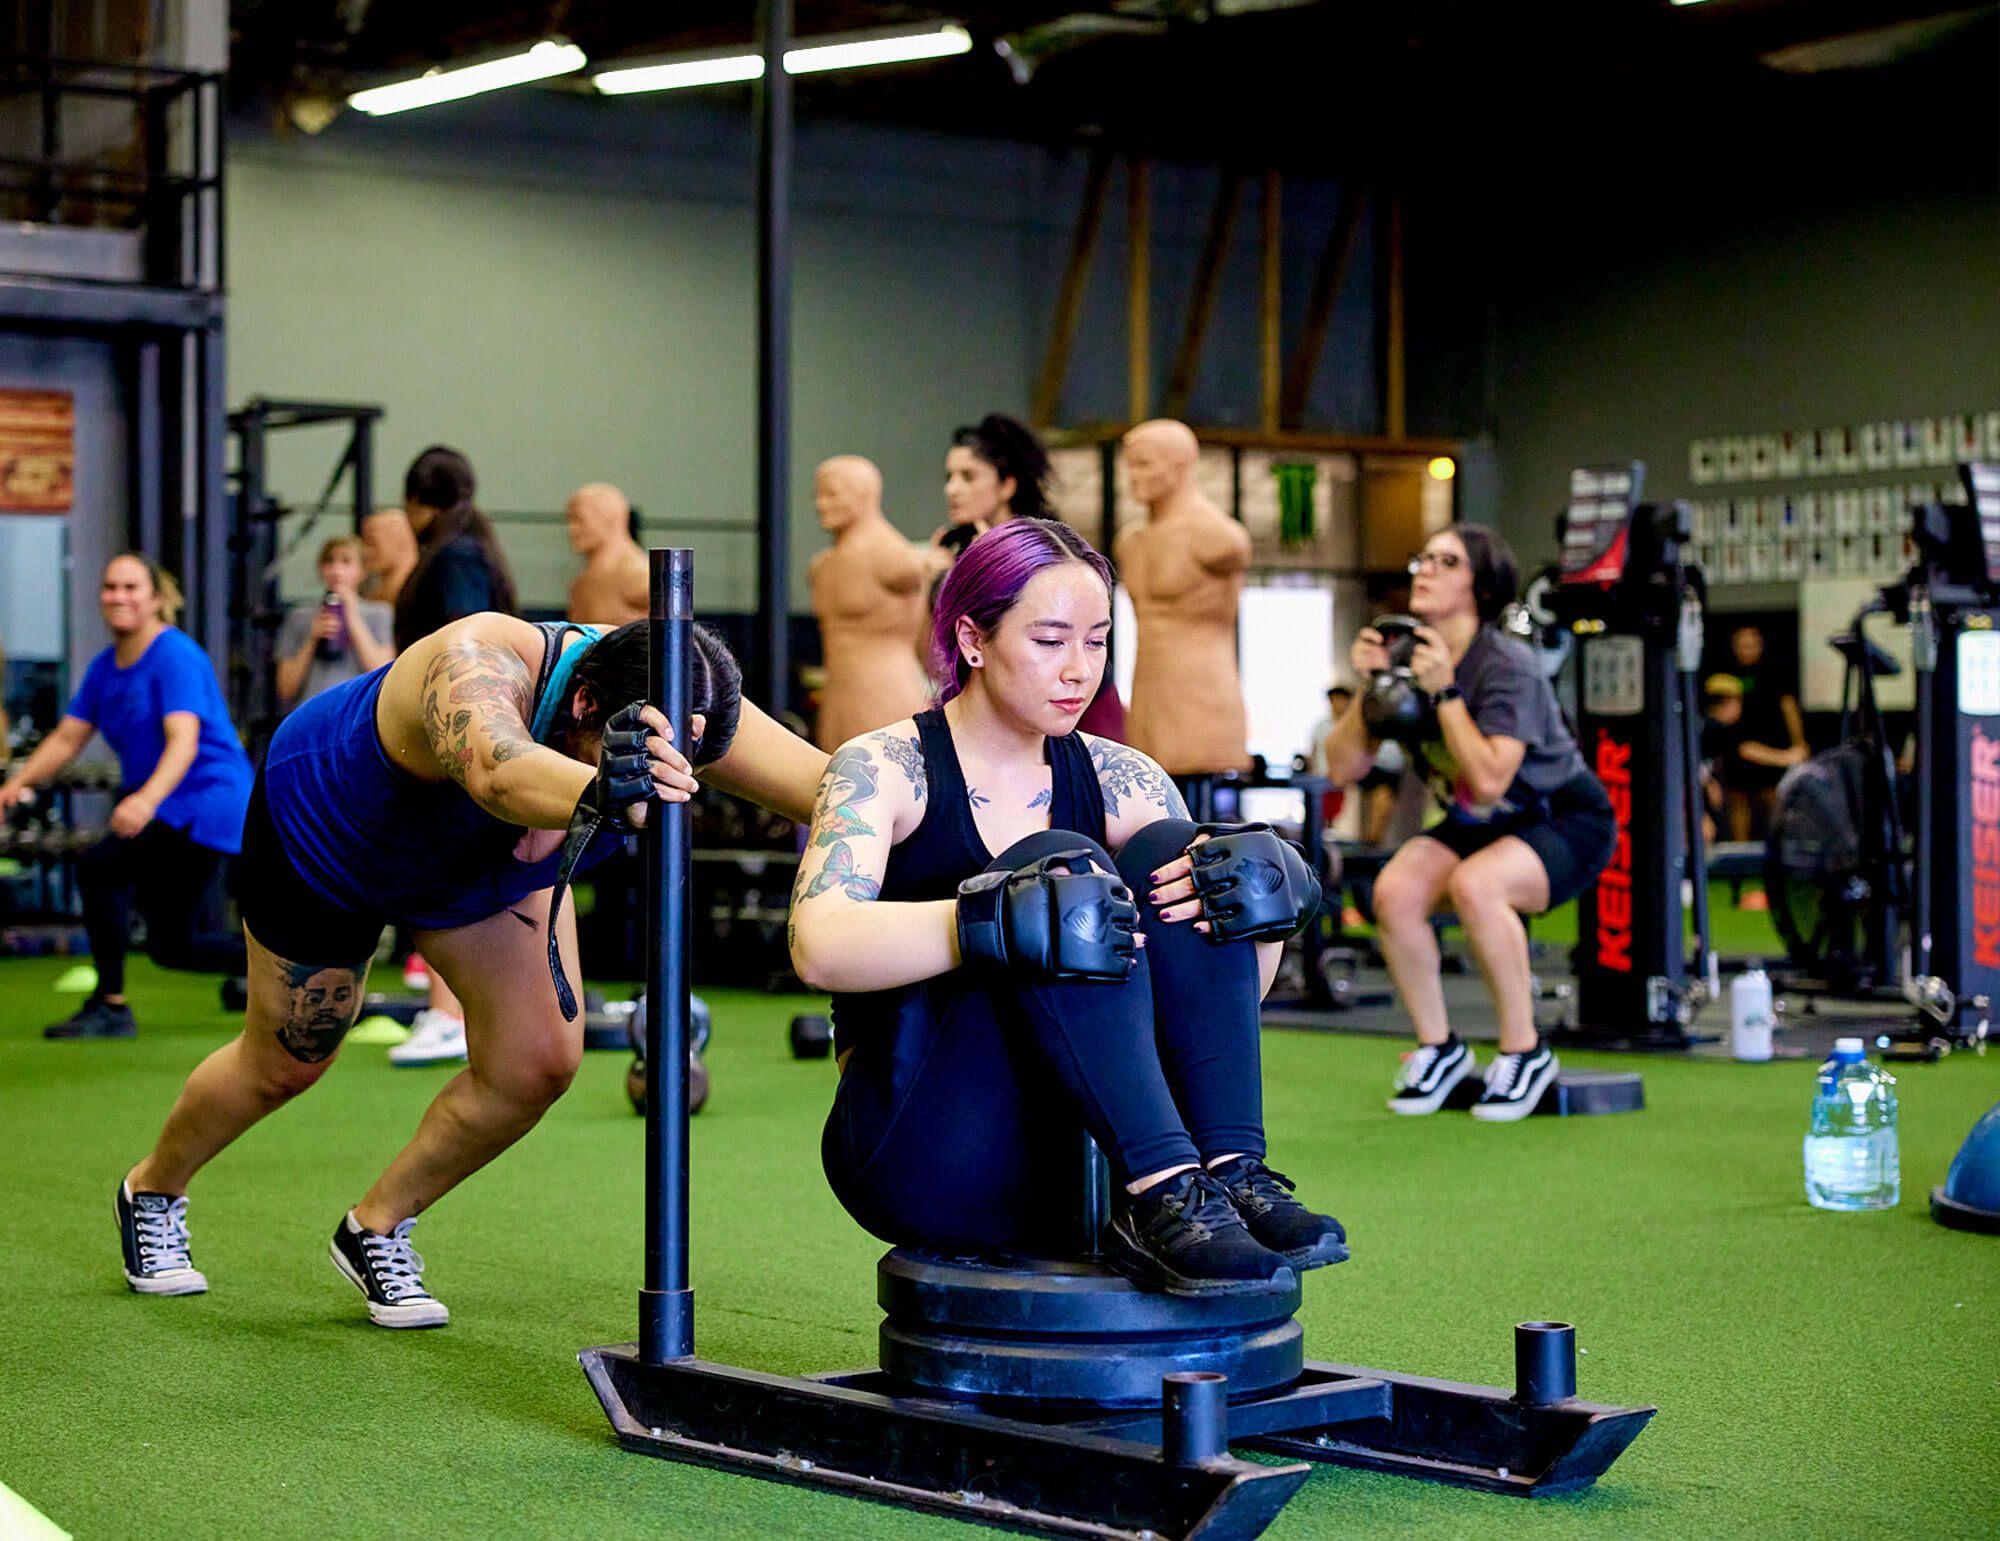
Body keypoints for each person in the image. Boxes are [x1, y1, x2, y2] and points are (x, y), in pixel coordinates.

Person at [112, 609, 825, 1322]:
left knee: (537, 1062)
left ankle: (376, 1227)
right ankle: (153, 1187)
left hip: (476, 868)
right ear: (583, 705)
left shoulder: (686, 694)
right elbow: (495, 769)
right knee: (286, 1061)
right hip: (331, 837)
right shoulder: (479, 657)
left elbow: (827, 786)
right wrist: (604, 788)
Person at [792, 520, 1342, 1296]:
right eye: (1050, 641)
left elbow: (1207, 1000)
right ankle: (1164, 1190)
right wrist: (986, 921)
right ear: (973, 640)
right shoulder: (886, 766)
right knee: (1060, 864)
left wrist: (1267, 906)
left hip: (1087, 1150)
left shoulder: (1128, 778)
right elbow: (818, 945)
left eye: (1097, 640)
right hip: (926, 1143)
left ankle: (1227, 1176)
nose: (1079, 670)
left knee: (1183, 847)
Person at [1324, 525, 1615, 1122]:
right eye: (1422, 557)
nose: (1424, 569)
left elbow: (1488, 780)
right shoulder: (1406, 655)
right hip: (1477, 820)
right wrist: (1368, 686)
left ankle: (1525, 1051)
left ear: (1479, 586)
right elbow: (1343, 767)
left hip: (1562, 816)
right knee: (1396, 892)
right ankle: (1439, 1049)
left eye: (1446, 561)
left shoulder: (1508, 666)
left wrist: (1446, 693)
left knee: (1478, 885)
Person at [0, 554, 253, 1040]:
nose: (119, 596)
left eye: (132, 587)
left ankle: (110, 1006)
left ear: (156, 599)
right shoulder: (105, 668)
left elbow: (184, 740)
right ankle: (299, 964)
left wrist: (146, 801)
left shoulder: (174, 654)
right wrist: (16, 783)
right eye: (110, 587)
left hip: (207, 801)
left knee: (101, 865)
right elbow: (67, 739)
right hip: (174, 803)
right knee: (171, 946)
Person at [390, 446, 520, 1063]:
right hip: (444, 727)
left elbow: (468, 638)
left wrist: (459, 733)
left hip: (455, 730)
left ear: (417, 504)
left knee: (439, 862)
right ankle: (455, 1010)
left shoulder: (458, 555)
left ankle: (448, 1013)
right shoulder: (460, 549)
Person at [937, 413, 1126, 740]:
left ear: (1007, 484)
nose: (952, 489)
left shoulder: (1059, 553)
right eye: (949, 476)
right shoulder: (948, 552)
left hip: (1083, 715)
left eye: (968, 477)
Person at [1116, 419, 1251, 774]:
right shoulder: (1130, 542)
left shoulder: (1219, 540)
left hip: (1202, 699)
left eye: (1143, 464)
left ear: (1179, 467)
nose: (1132, 475)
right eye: (1129, 464)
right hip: (1146, 695)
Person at [809, 455, 933, 750]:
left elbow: (932, 641)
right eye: (818, 495)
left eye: (832, 494)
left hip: (887, 697)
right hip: (837, 699)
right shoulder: (822, 566)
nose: (820, 504)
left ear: (863, 496)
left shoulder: (896, 560)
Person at [275, 536, 395, 709]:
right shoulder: (300, 617)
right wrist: (312, 638)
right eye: (329, 562)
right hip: (311, 712)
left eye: (346, 562)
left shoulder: (379, 614)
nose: (336, 570)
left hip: (356, 713)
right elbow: (285, 689)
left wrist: (352, 617)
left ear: (362, 571)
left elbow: (383, 675)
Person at [1720, 623, 1807, 847]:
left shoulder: (1773, 672)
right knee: (1738, 800)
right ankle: (1740, 853)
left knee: (1772, 797)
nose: (1746, 649)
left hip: (1769, 745)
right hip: (1739, 747)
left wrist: (1798, 742)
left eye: (1751, 644)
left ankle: (1775, 849)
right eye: (1742, 645)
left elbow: (1788, 706)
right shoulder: (1727, 673)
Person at [565, 481, 649, 626]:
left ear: (608, 519)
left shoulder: (640, 576)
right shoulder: (580, 585)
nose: (572, 530)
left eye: (580, 520)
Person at [360, 507, 418, 607]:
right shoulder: (375, 590)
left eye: (371, 542)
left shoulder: (417, 589)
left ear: (399, 541)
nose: (365, 551)